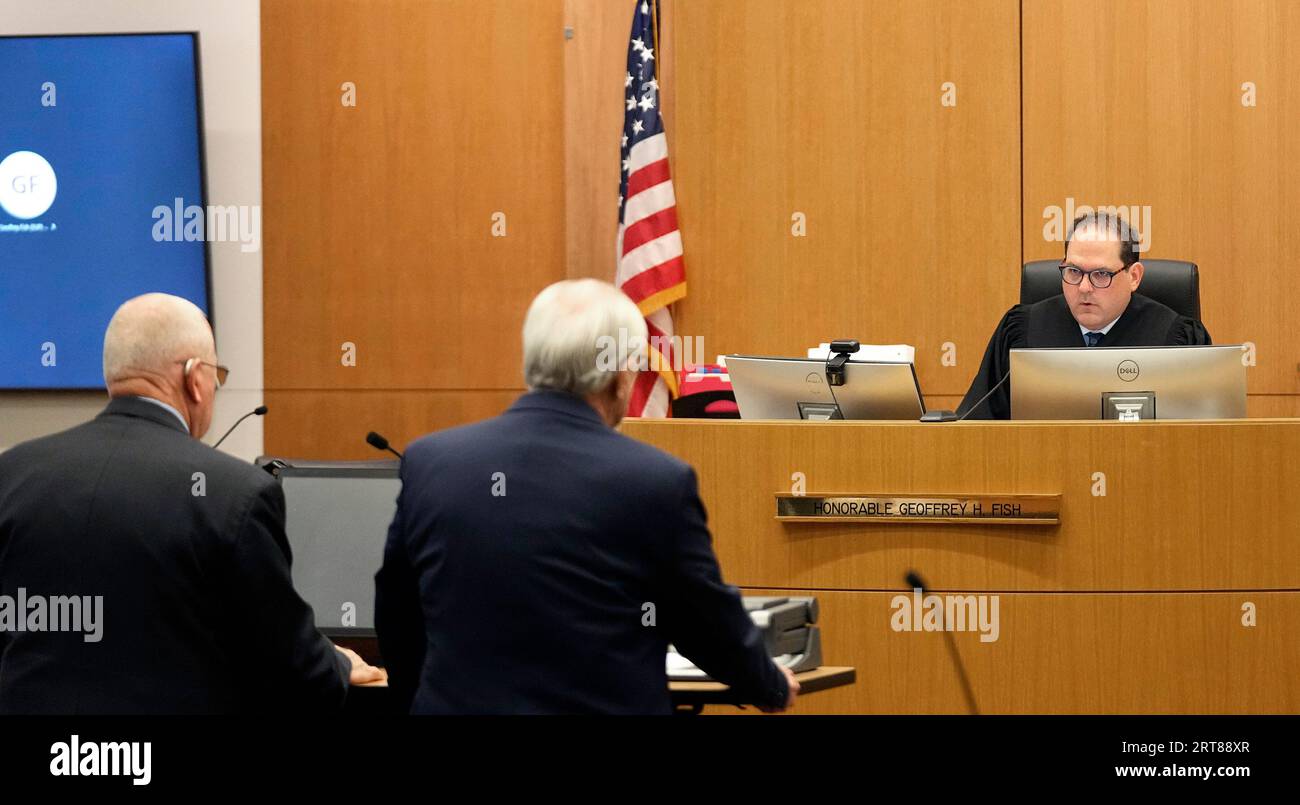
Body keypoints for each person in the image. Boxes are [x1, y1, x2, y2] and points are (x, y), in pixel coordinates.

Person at [375, 279, 798, 714]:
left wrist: (418, 700)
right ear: (618, 377)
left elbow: (398, 613)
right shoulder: (653, 480)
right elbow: (703, 622)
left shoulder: (431, 462)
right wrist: (769, 685)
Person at [0, 293, 382, 713]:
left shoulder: (14, 473)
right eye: (215, 376)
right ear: (193, 378)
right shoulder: (235, 492)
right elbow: (288, 662)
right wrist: (337, 663)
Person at [959, 211, 1211, 419]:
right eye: (1073, 271)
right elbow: (979, 423)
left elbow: (1205, 438)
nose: (1084, 288)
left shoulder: (1178, 339)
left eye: (1101, 274)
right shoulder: (1022, 332)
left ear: (1134, 277)